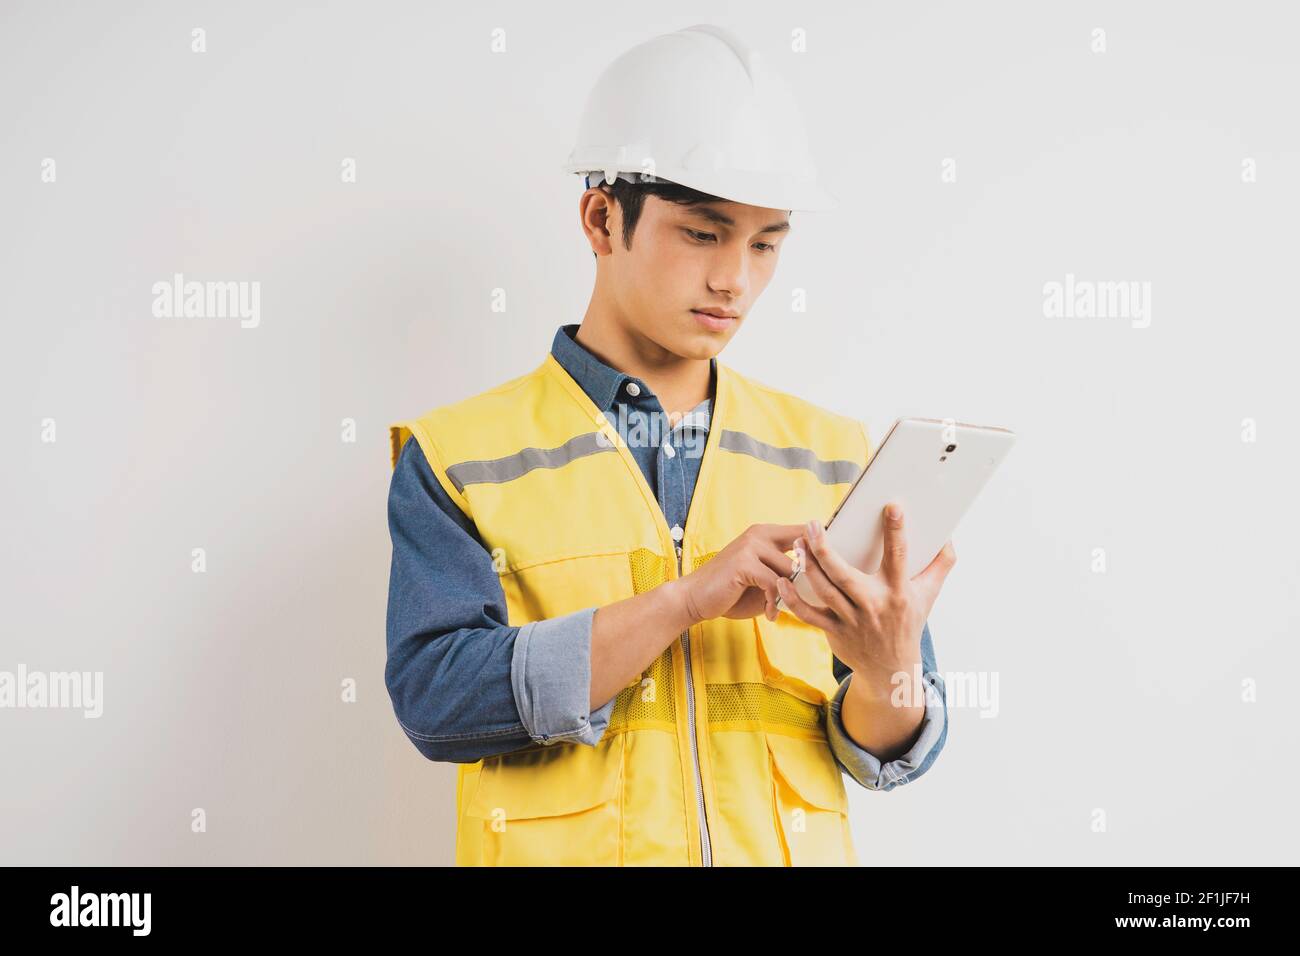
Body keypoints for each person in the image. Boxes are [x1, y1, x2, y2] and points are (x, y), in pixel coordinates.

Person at [384, 23, 955, 866]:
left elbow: (884, 752)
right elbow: (436, 702)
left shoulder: (831, 456)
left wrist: (888, 672)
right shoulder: (457, 456)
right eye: (703, 233)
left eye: (765, 245)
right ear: (602, 217)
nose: (736, 280)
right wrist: (683, 602)